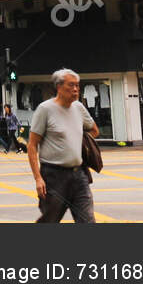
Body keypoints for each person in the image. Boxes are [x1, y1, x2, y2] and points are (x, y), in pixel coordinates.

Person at [27, 68, 98, 224]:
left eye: (77, 85)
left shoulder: (79, 108)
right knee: (50, 220)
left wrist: (76, 142)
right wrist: (38, 179)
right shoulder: (45, 109)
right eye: (71, 85)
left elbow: (94, 130)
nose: (75, 89)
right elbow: (32, 145)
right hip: (53, 176)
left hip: (79, 175)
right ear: (59, 87)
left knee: (87, 220)